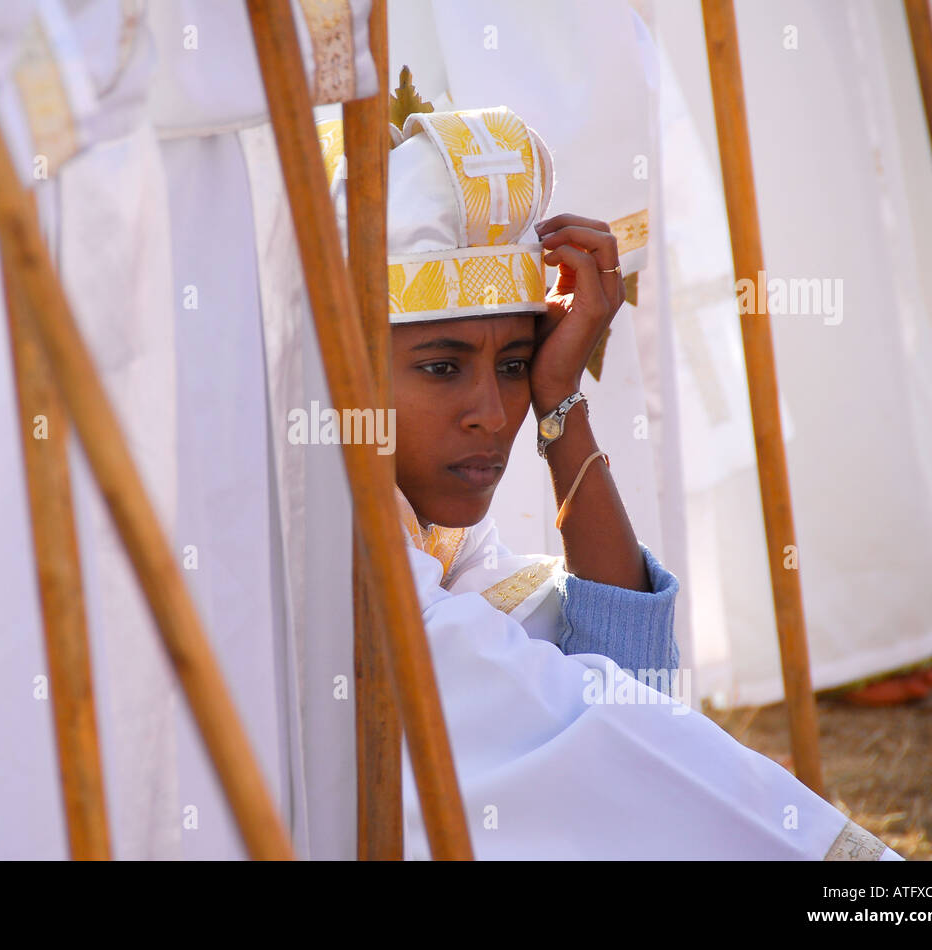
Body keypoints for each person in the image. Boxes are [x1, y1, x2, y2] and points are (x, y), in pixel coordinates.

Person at [324, 103, 902, 860]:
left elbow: (633, 693)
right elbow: (615, 740)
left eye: (513, 365)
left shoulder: (439, 541)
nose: (492, 414)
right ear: (340, 370)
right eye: (441, 367)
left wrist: (560, 399)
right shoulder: (335, 550)